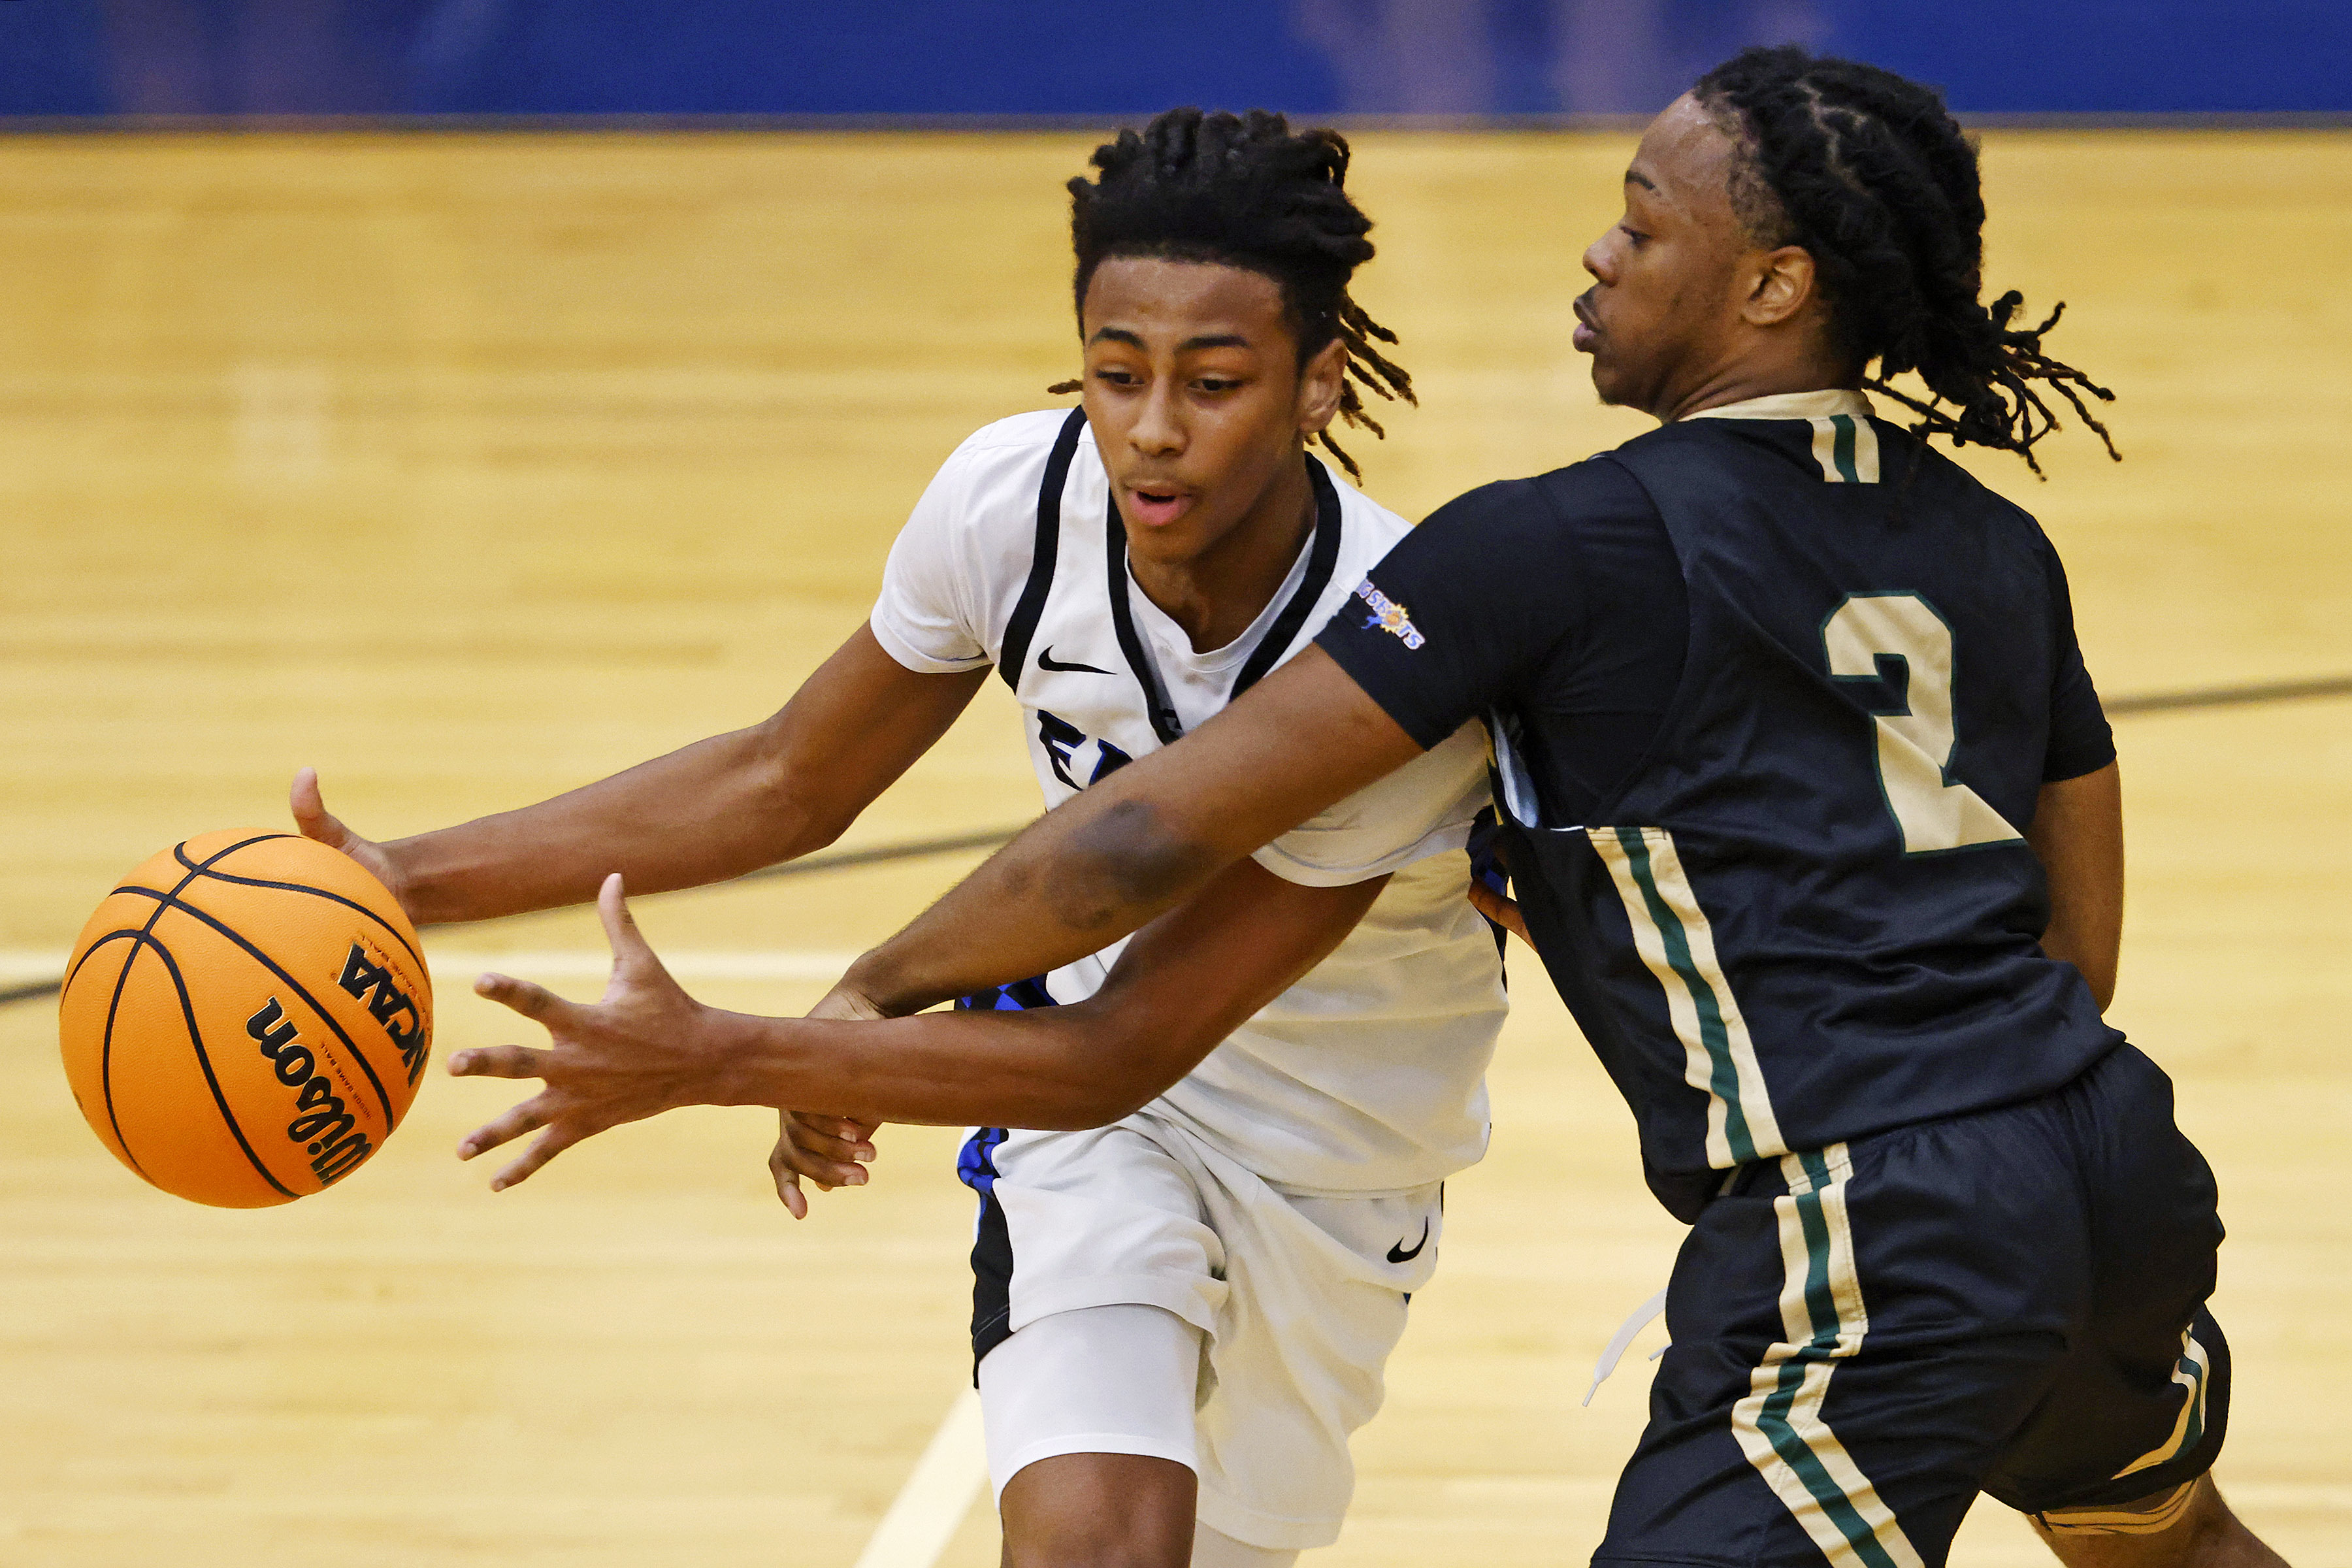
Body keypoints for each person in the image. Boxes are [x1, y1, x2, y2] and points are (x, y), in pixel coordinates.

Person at [523, 50, 2283, 1568]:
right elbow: (2080, 947)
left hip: (1866, 1218)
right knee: (2158, 1535)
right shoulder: (1994, 543)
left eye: (1645, 226)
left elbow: (1143, 840)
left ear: (1771, 289)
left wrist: (843, 1005)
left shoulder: (1552, 546)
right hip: (2109, 1164)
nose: (1598, 255)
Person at [306, 108, 1511, 1568]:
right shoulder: (1016, 503)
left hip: (1333, 1145)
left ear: (1322, 382)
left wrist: (739, 1050)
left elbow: (1132, 1037)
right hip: (1089, 1118)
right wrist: (403, 883)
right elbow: (785, 779)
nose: (1151, 428)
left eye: (1215, 382)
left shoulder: (1402, 647)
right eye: (1115, 372)